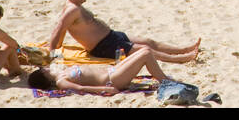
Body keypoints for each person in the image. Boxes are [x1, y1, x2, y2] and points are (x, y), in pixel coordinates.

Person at [48, 0, 201, 64]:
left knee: (148, 41)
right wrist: (53, 52)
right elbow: (59, 29)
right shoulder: (71, 10)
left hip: (112, 37)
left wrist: (58, 45)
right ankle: (182, 58)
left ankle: (184, 49)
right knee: (143, 49)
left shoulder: (75, 7)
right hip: (104, 46)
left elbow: (62, 30)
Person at [28, 47, 178, 95]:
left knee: (145, 50)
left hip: (113, 69)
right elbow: (81, 89)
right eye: (43, 69)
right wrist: (106, 89)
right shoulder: (61, 82)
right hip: (112, 79)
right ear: (43, 74)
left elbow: (53, 54)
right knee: (145, 54)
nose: (46, 67)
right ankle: (165, 81)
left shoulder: (62, 71)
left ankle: (165, 79)